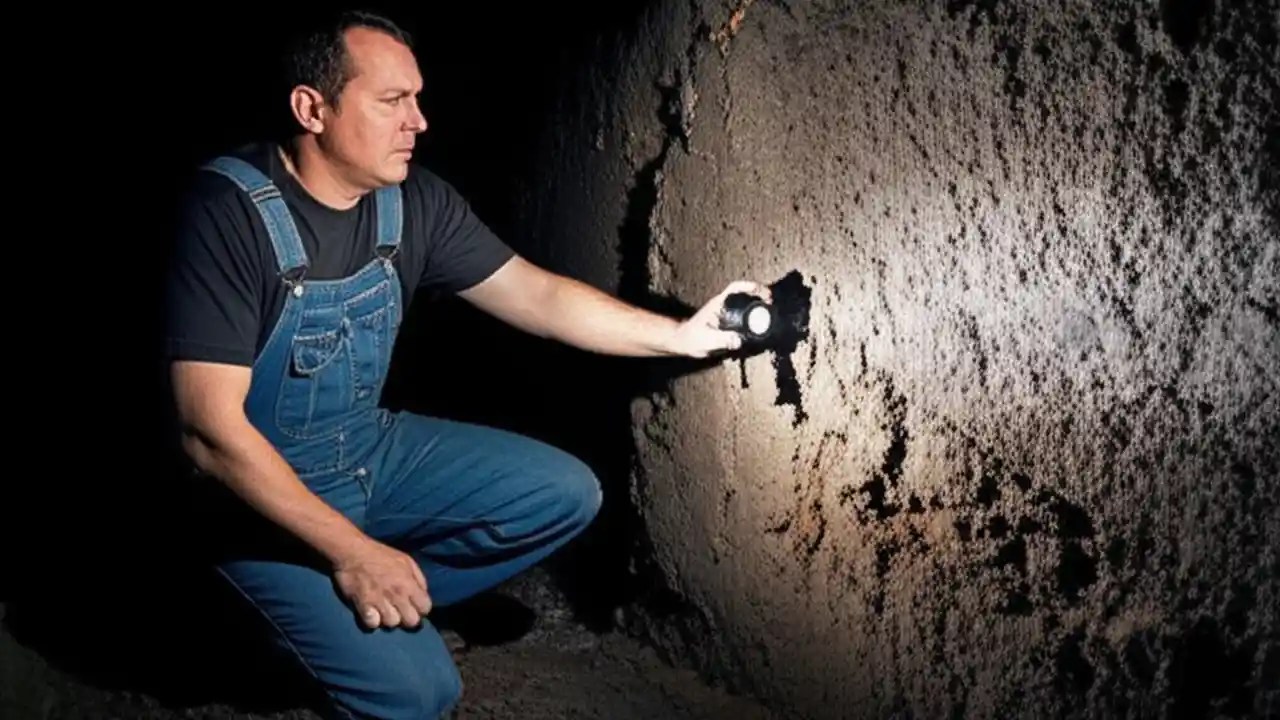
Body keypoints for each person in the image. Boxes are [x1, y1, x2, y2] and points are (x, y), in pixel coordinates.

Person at [163, 8, 771, 720]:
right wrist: (354, 552)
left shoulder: (413, 203)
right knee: (422, 693)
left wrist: (681, 335)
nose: (418, 121)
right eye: (392, 101)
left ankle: (386, 607)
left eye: (417, 98)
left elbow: (537, 295)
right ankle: (266, 630)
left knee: (565, 492)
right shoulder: (227, 214)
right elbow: (207, 433)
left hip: (363, 454)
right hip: (252, 504)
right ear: (312, 108)